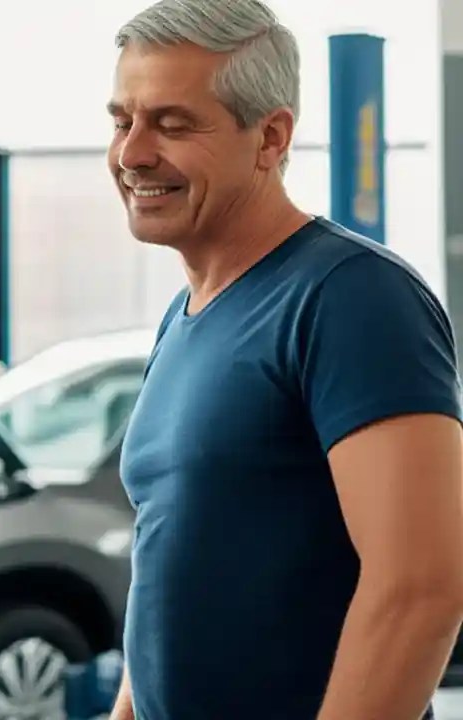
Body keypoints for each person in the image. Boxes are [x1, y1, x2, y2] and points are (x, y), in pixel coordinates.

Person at [106, 1, 463, 719]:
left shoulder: (353, 298)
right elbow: (170, 590)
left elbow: (423, 586)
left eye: (173, 125)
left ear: (271, 137)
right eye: (122, 121)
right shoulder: (184, 319)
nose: (132, 153)